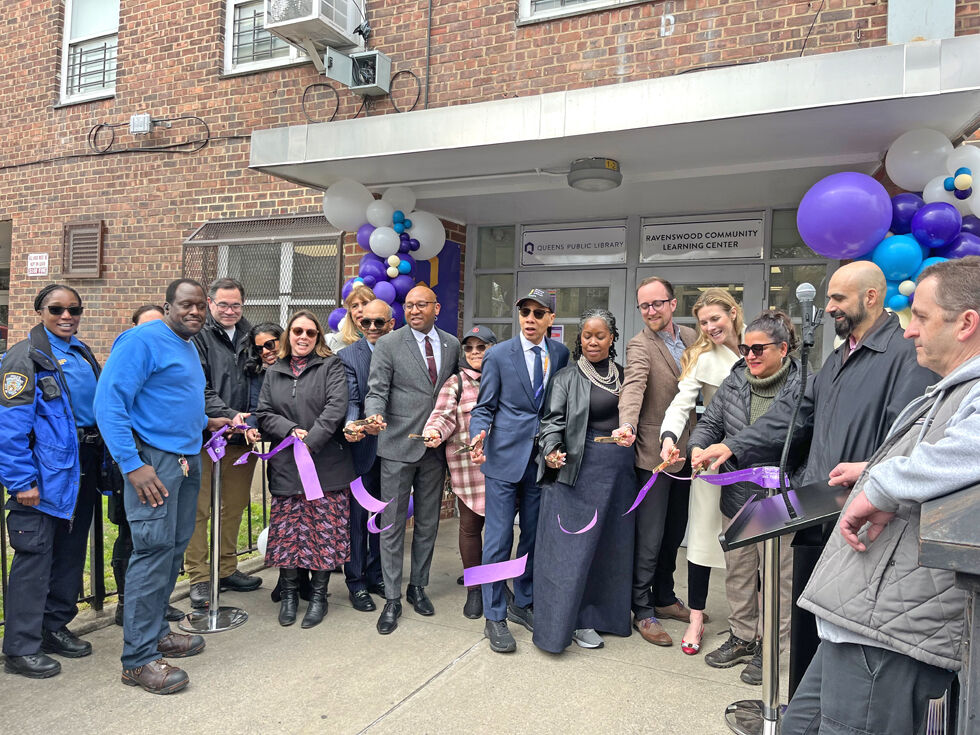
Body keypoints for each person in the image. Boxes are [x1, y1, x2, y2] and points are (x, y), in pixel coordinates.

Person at [696, 260, 937, 692]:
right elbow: (794, 415)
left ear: (871, 297)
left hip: (864, 512)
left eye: (838, 298)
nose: (828, 308)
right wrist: (733, 445)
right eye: (828, 299)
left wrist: (871, 476)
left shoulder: (904, 356)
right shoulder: (838, 357)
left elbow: (906, 439)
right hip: (817, 506)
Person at [782, 256, 980, 735]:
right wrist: (874, 470)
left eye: (923, 317)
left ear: (966, 324)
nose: (911, 330)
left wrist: (882, 485)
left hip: (893, 630)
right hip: (862, 617)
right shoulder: (948, 391)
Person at [95, 278, 230, 694]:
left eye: (200, 306)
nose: (195, 312)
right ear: (168, 306)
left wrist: (206, 420)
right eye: (186, 305)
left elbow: (168, 398)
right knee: (153, 552)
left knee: (172, 550)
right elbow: (109, 403)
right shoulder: (141, 341)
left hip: (186, 459)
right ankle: (137, 661)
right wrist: (132, 465)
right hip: (152, 464)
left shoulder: (187, 344)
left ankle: (156, 633)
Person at [689, 311, 804, 684]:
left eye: (758, 349)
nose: (749, 356)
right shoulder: (735, 379)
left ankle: (771, 648)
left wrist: (731, 447)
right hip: (738, 496)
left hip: (781, 498)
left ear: (782, 349)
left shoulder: (803, 384)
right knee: (738, 571)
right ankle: (742, 636)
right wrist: (697, 446)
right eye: (745, 348)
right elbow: (711, 422)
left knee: (778, 578)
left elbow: (794, 435)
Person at [0, 285, 103, 678]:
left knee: (70, 553)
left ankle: (53, 627)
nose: (67, 316)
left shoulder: (80, 351)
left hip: (82, 467)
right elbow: (9, 429)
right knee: (34, 557)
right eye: (57, 309)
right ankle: (21, 647)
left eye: (74, 309)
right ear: (40, 311)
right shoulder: (24, 357)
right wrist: (21, 481)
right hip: (42, 476)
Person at [469, 289, 571, 653]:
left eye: (538, 313)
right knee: (497, 540)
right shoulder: (498, 355)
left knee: (531, 537)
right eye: (525, 311)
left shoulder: (560, 353)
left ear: (550, 319)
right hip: (503, 459)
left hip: (540, 461)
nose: (530, 318)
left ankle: (522, 602)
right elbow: (484, 406)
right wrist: (478, 434)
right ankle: (494, 615)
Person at [533, 309, 635, 653]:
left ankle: (606, 616)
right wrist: (552, 450)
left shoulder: (625, 375)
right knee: (574, 550)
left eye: (600, 336)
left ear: (612, 338)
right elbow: (551, 422)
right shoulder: (567, 376)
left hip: (619, 472)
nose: (592, 341)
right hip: (579, 470)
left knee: (611, 548)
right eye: (587, 335)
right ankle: (573, 621)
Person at [364, 285, 461, 635]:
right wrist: (374, 416)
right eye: (409, 305)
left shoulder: (452, 344)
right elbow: (377, 390)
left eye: (421, 304)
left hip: (434, 449)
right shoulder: (389, 344)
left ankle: (417, 586)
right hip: (397, 447)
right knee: (391, 525)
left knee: (428, 523)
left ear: (437, 308)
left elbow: (458, 390)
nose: (414, 310)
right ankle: (392, 598)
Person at [255, 310, 354, 629]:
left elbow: (336, 407)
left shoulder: (331, 365)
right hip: (286, 465)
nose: (303, 337)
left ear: (318, 338)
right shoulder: (275, 370)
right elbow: (264, 413)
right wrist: (290, 430)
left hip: (325, 465)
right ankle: (289, 595)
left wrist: (310, 442)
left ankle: (319, 597)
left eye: (310, 333)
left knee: (322, 533)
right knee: (288, 535)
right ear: (289, 335)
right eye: (298, 331)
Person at [658, 288, 743, 656]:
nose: (709, 327)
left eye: (715, 319)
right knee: (703, 540)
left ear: (733, 313)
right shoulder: (701, 357)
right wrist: (668, 437)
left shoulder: (757, 347)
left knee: (754, 538)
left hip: (754, 459)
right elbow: (681, 404)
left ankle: (752, 620)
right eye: (703, 322)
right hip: (709, 459)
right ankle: (696, 618)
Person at [615, 276, 697, 647]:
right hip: (652, 455)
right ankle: (642, 608)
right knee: (650, 538)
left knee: (675, 532)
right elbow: (633, 387)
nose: (650, 311)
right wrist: (627, 424)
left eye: (657, 303)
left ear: (672, 303)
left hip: (687, 452)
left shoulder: (693, 337)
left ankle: (664, 597)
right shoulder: (640, 345)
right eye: (644, 305)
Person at [186, 277, 262, 609]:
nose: (230, 311)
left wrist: (251, 421)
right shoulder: (197, 337)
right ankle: (199, 577)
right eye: (223, 305)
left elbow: (262, 378)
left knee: (234, 505)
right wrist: (229, 415)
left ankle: (226, 568)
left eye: (236, 305)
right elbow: (198, 387)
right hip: (206, 437)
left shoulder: (251, 336)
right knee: (199, 509)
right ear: (211, 303)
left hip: (242, 439)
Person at [110, 304, 186, 627]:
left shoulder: (177, 349)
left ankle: (156, 622)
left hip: (169, 461)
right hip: (141, 461)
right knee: (142, 542)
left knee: (165, 544)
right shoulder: (133, 348)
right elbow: (111, 404)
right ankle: (137, 634)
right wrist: (131, 462)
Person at [422, 325, 498, 620]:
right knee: (470, 528)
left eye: (482, 347)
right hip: (469, 471)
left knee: (499, 532)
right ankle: (474, 589)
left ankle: (495, 583)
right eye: (470, 348)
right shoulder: (456, 383)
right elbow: (442, 416)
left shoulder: (506, 377)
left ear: (493, 348)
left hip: (503, 469)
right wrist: (433, 432)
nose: (475, 352)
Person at [338, 299, 393, 612]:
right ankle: (356, 582)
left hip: (395, 450)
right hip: (362, 450)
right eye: (366, 322)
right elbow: (352, 399)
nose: (372, 327)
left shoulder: (400, 351)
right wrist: (354, 424)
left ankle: (377, 575)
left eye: (379, 322)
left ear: (390, 323)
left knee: (385, 517)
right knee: (358, 519)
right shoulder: (347, 356)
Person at [325, 283, 375, 353]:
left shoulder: (386, 338)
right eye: (354, 306)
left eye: (365, 304)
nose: (360, 309)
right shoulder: (338, 341)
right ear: (350, 313)